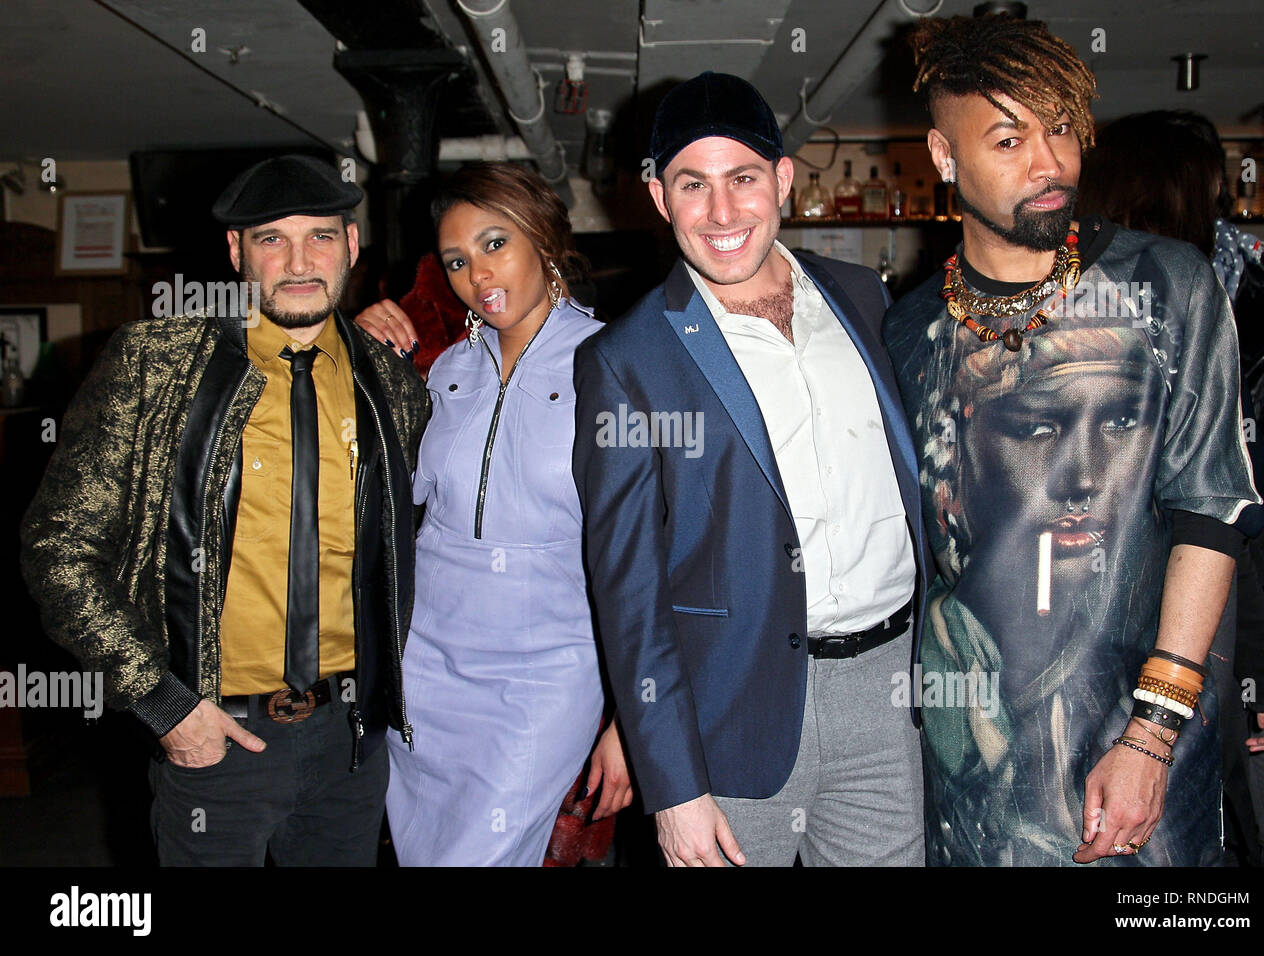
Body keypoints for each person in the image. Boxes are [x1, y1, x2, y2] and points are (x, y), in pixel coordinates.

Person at [883, 14, 1261, 866]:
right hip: (972, 785)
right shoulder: (908, 336)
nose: (1049, 163)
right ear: (945, 160)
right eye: (1010, 139)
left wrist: (1152, 737)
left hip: (1145, 758)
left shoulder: (1166, 285)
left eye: (1062, 128)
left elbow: (1211, 509)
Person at [20, 154, 430, 865]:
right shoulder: (156, 363)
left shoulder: (390, 382)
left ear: (352, 245)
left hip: (351, 741)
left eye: (321, 237)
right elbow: (59, 545)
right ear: (236, 252)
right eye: (272, 239)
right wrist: (163, 703)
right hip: (215, 740)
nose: (300, 261)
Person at [572, 71, 928, 867]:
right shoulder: (626, 361)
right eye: (692, 186)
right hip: (727, 713)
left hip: (888, 691)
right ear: (659, 199)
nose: (722, 213)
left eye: (743, 178)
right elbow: (628, 596)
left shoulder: (862, 297)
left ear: (784, 180)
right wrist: (672, 786)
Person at [357, 163, 632, 866]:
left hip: (546, 672)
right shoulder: (445, 368)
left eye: (494, 243)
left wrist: (633, 719)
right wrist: (354, 356)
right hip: (428, 666)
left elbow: (649, 557)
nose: (477, 274)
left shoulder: (616, 367)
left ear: (542, 238)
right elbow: (385, 500)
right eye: (456, 260)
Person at [1077, 109, 1264, 865]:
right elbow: (1234, 498)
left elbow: (1228, 501)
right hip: (1183, 605)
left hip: (1201, 600)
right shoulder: (1217, 289)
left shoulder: (1235, 287)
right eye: (1212, 180)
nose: (1224, 196)